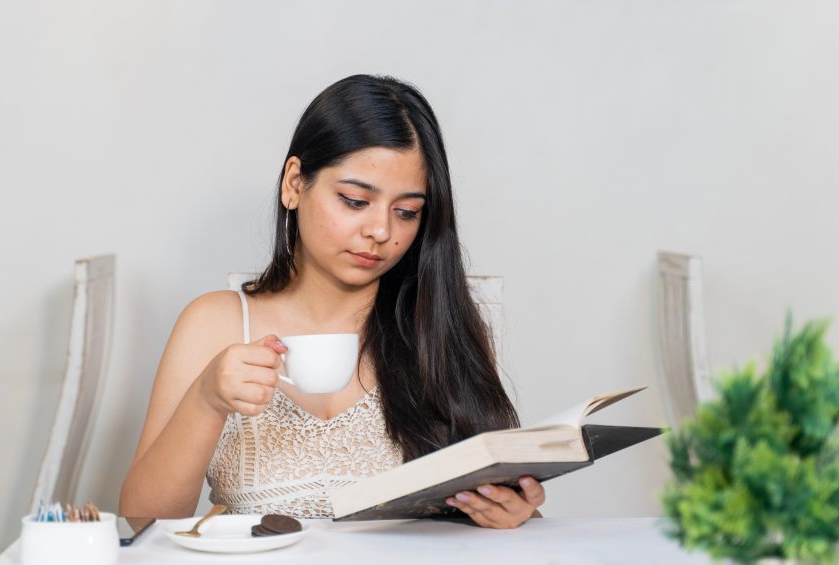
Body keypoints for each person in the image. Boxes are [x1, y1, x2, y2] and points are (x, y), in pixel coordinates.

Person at [119, 74, 545, 529]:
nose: (381, 231)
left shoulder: (441, 327)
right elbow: (141, 520)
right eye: (355, 200)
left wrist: (514, 512)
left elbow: (492, 502)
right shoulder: (214, 323)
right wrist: (206, 400)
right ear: (294, 184)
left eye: (406, 212)